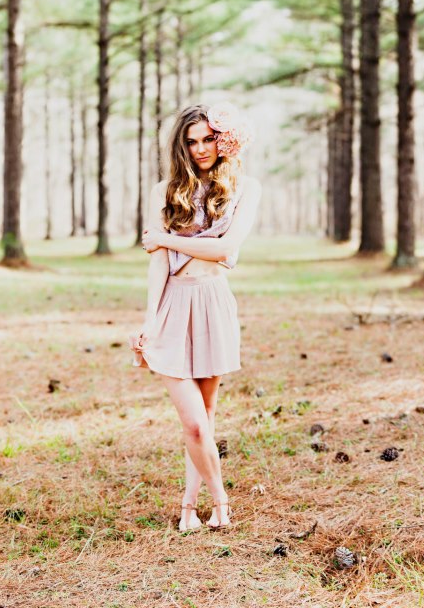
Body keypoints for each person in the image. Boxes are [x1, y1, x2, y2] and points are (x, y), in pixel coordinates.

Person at [129, 103, 261, 532]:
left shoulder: (245, 188)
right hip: (173, 304)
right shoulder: (164, 191)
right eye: (192, 141)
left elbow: (225, 250)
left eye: (208, 139)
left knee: (205, 418)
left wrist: (165, 238)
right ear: (181, 145)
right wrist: (149, 320)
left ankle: (190, 505)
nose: (201, 148)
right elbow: (156, 264)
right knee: (193, 422)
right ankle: (221, 499)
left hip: (214, 302)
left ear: (223, 142)